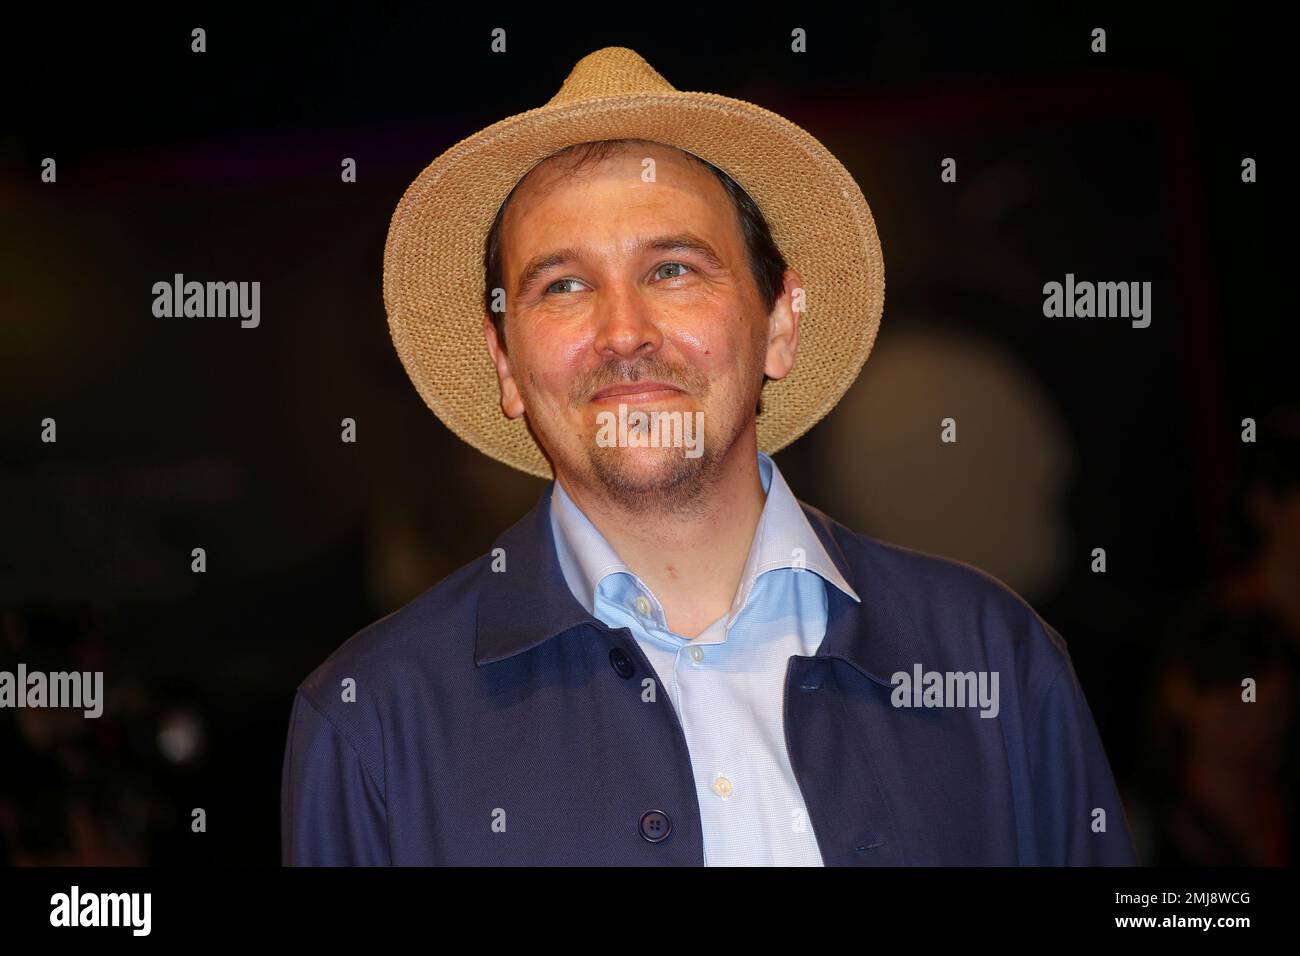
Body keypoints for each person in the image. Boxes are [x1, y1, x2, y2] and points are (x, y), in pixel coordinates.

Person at [280, 46, 1135, 866]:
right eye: (563, 286)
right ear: (506, 363)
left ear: (780, 323)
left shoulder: (992, 657)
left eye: (676, 269)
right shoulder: (371, 724)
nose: (624, 334)